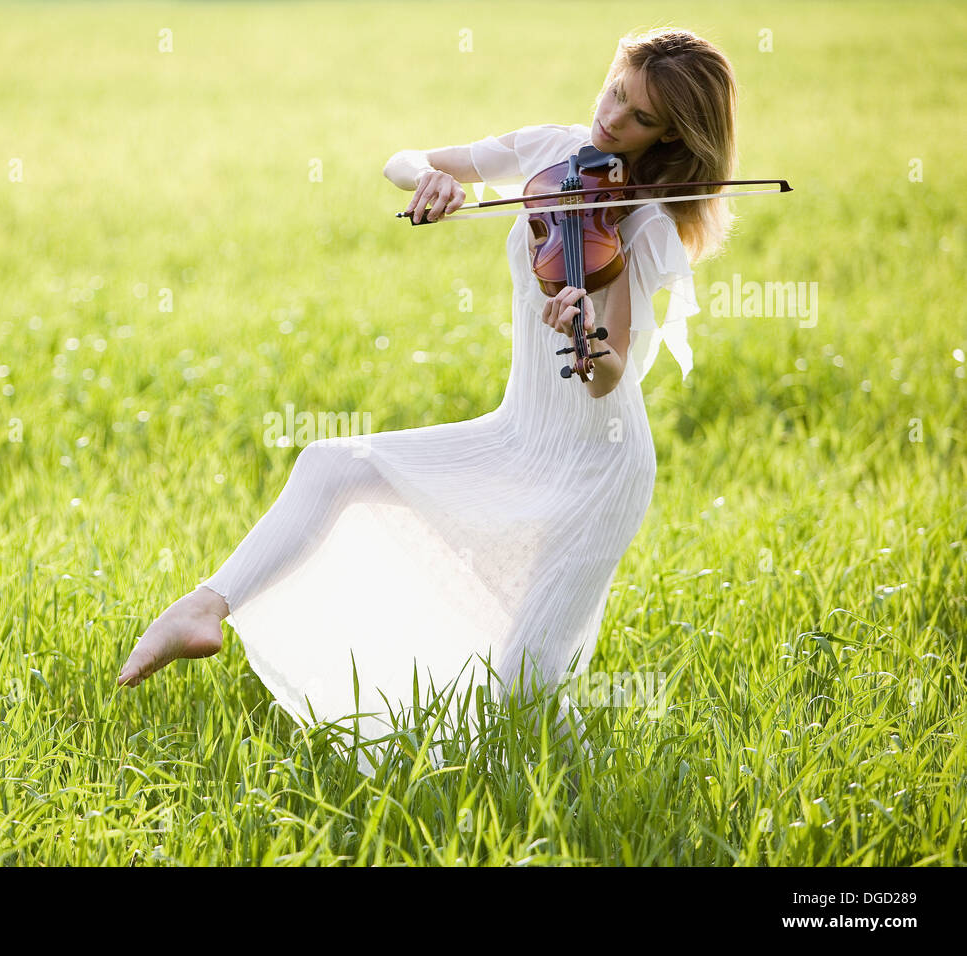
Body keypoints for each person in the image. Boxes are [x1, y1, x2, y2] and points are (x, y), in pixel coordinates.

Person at [117, 28, 738, 777]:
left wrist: (588, 331)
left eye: (639, 118)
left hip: (596, 471)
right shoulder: (553, 152)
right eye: (617, 91)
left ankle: (596, 812)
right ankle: (204, 607)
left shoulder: (640, 221)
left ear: (670, 135)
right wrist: (434, 180)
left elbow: (606, 375)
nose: (613, 119)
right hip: (519, 439)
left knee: (526, 693)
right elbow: (404, 158)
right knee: (332, 464)